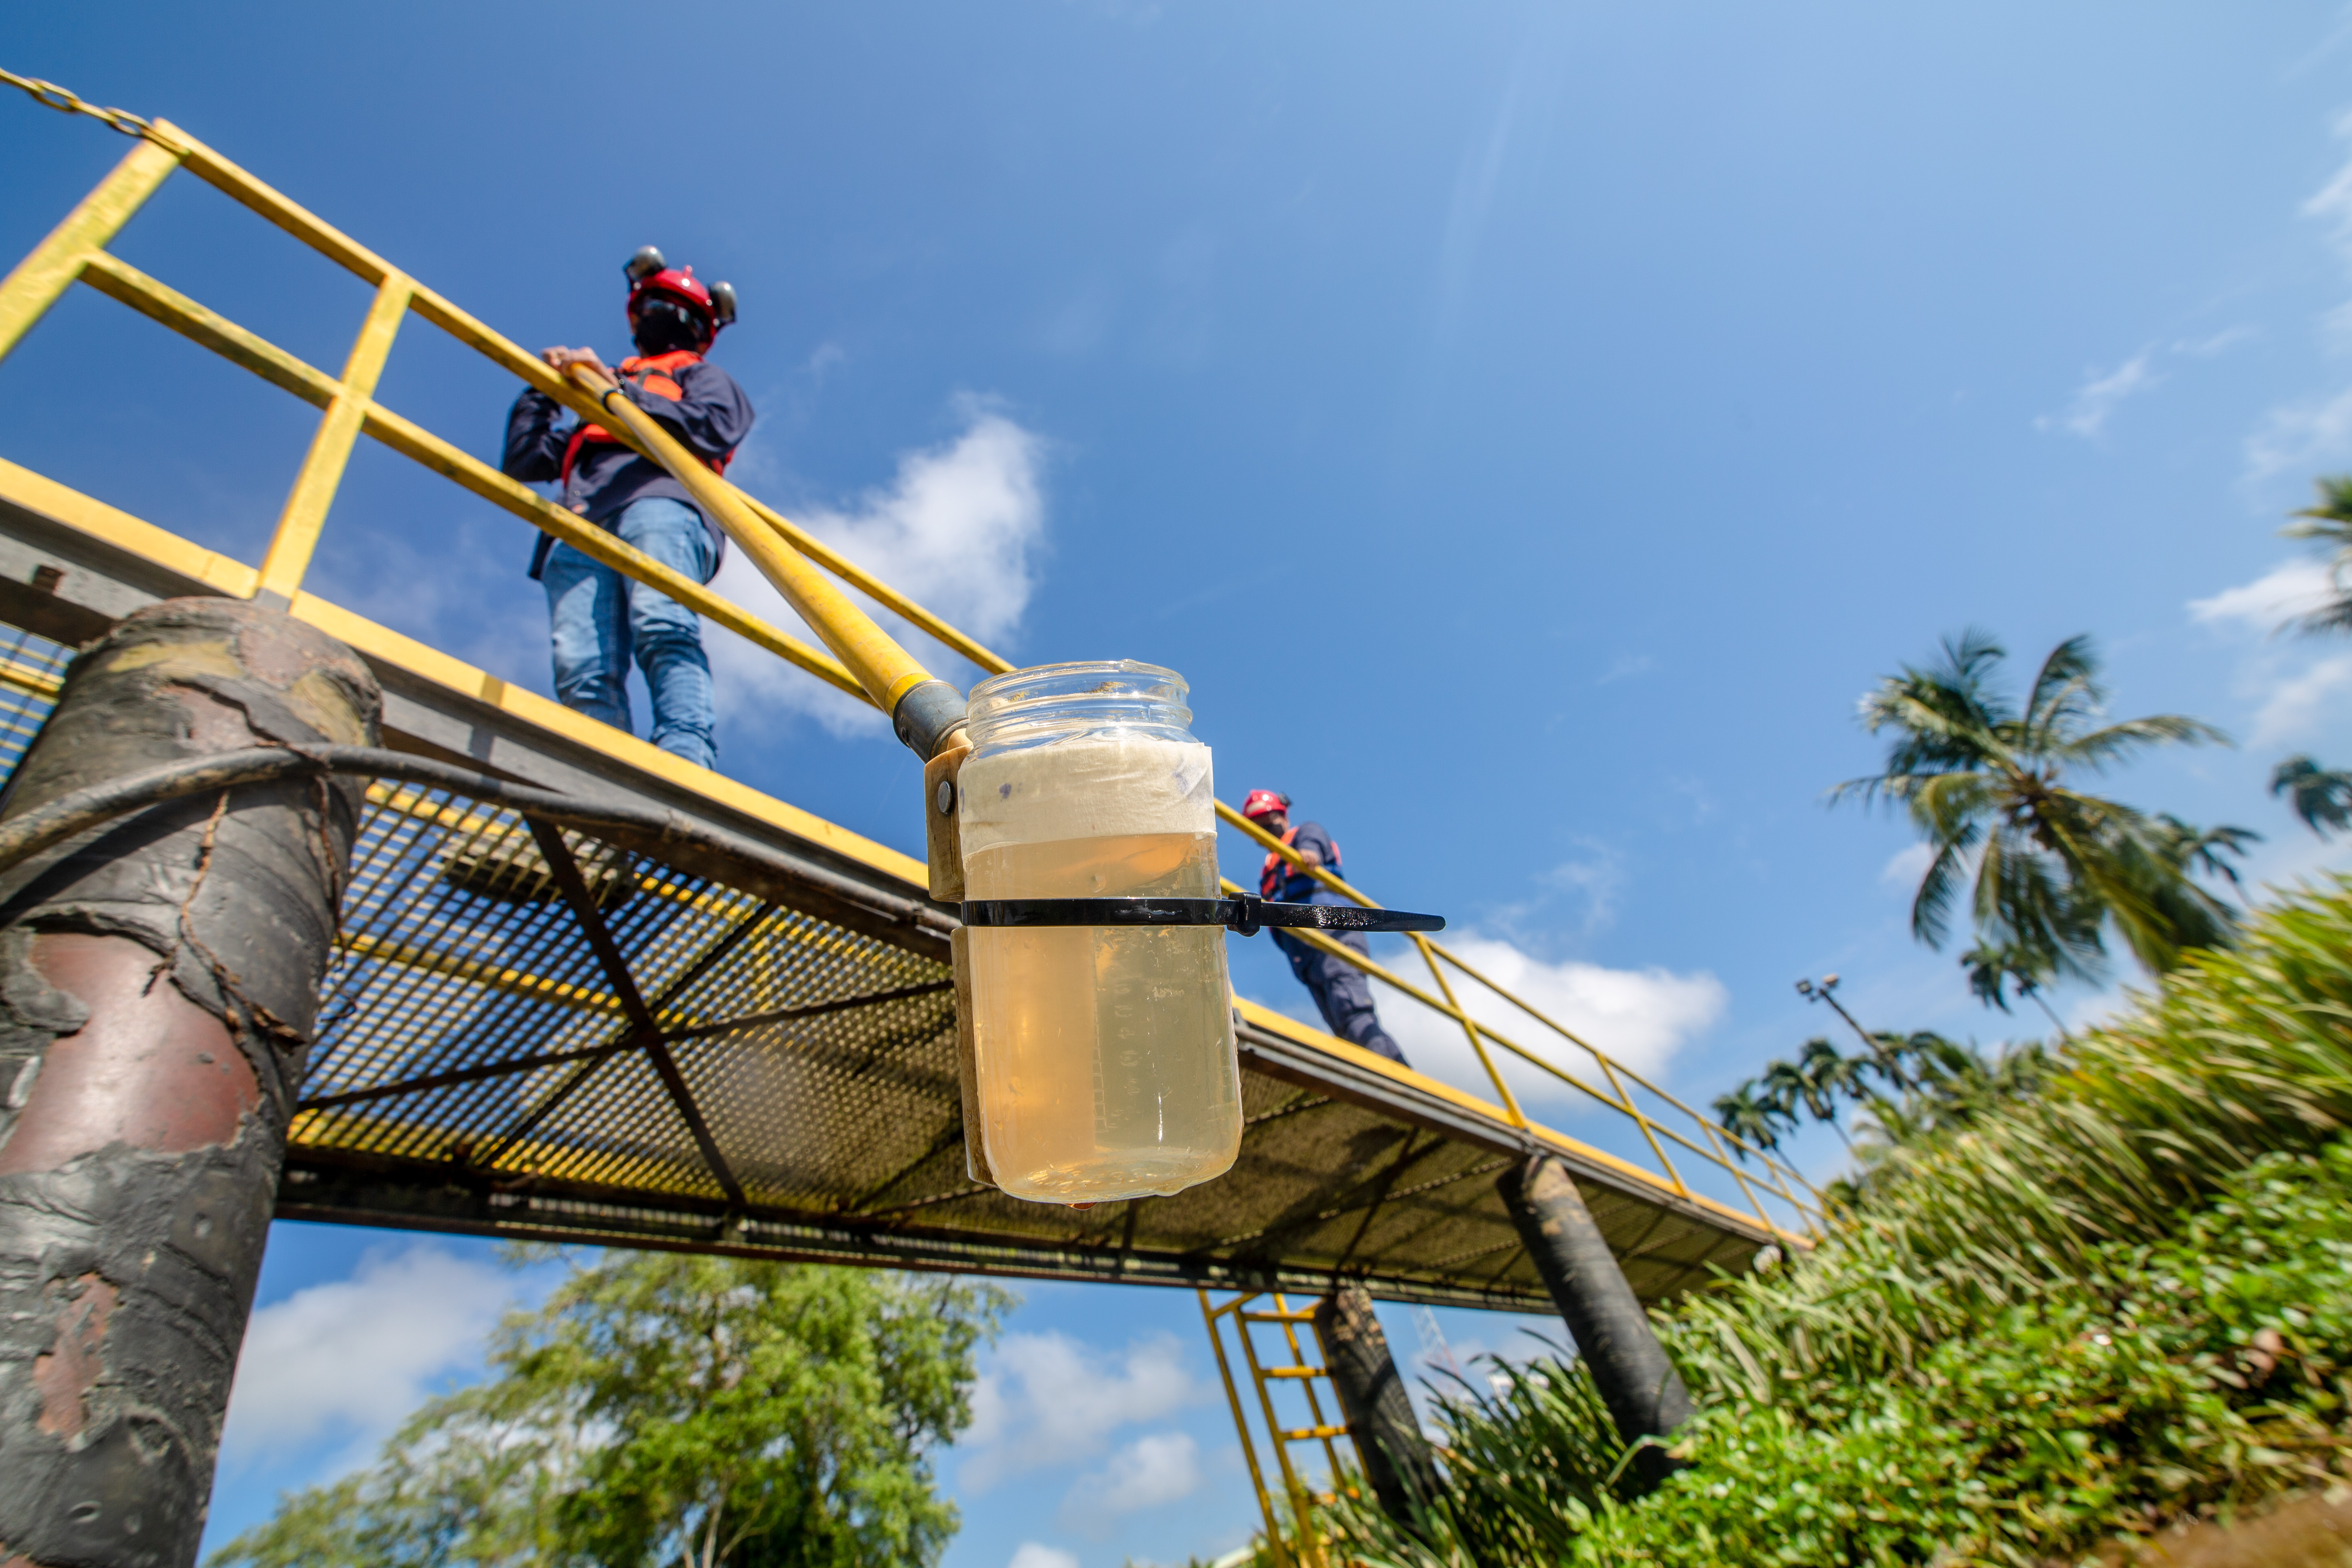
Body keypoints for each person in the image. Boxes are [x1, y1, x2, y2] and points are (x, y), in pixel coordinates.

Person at [502, 247, 752, 772]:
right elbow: (525, 460)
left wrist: (618, 392)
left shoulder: (690, 376)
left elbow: (714, 426)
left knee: (663, 628)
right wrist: (542, 388)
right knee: (582, 664)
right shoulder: (598, 396)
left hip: (660, 506)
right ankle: (601, 779)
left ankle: (685, 767)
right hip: (577, 524)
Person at [1243, 788, 1407, 1065]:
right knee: (1341, 1026)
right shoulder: (1270, 868)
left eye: (1266, 819)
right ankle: (1371, 1076)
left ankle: (1400, 1079)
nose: (1263, 828)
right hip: (1305, 954)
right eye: (1257, 824)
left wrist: (1308, 854)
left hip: (1332, 937)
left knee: (1353, 1013)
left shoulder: (1303, 835)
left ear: (1281, 816)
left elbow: (1313, 845)